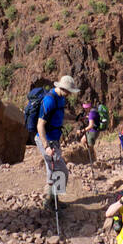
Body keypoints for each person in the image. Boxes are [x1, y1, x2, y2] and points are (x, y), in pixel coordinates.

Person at [36, 75, 77, 203]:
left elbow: (61, 114)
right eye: (69, 91)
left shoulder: (61, 98)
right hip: (47, 141)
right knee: (62, 171)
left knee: (52, 170)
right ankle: (53, 202)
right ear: (63, 88)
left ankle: (52, 201)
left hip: (55, 139)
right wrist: (46, 146)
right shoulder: (49, 100)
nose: (70, 94)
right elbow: (40, 125)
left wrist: (75, 118)